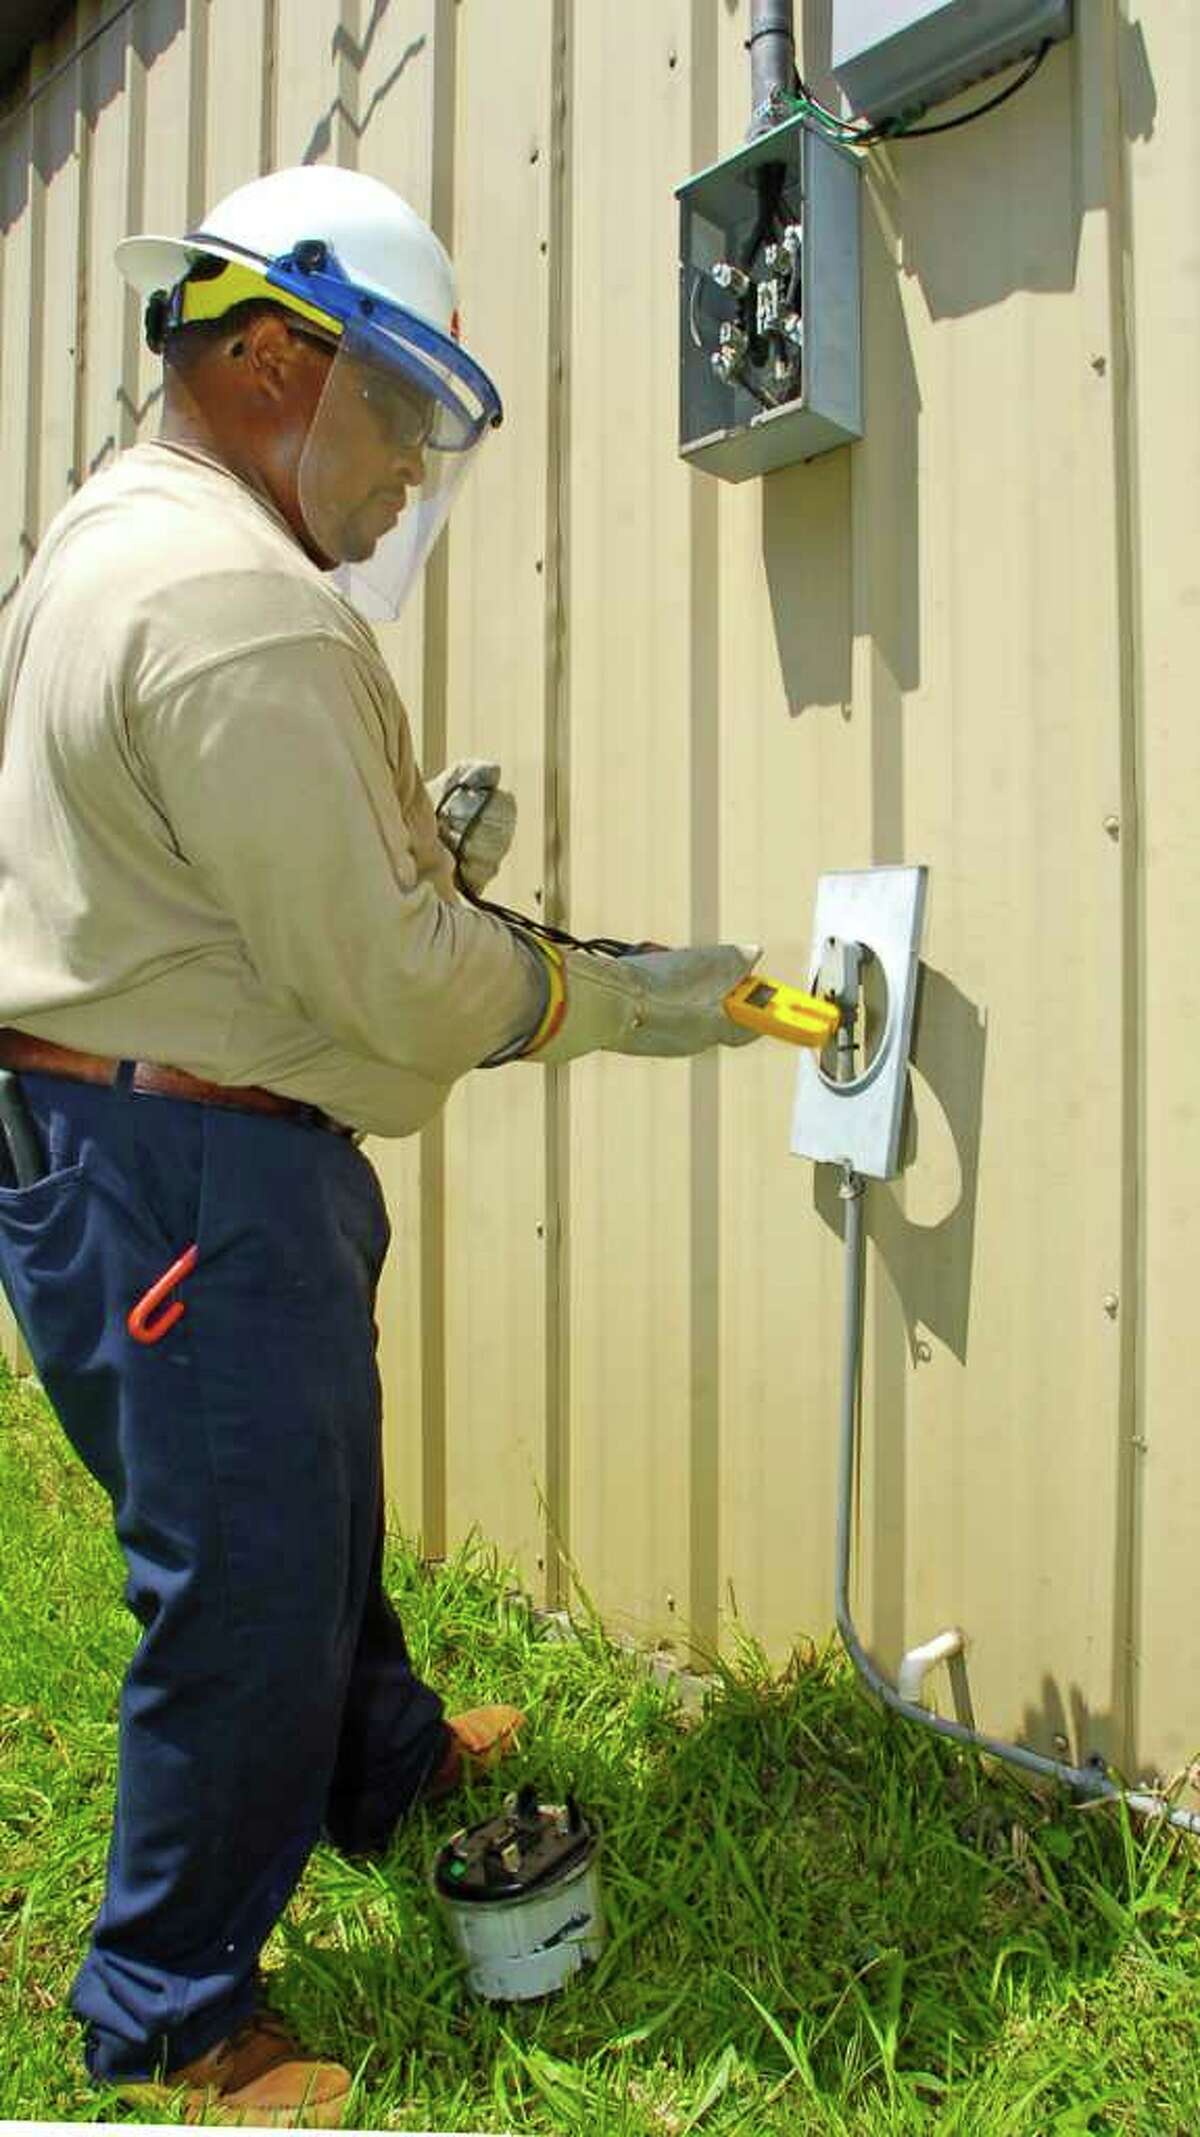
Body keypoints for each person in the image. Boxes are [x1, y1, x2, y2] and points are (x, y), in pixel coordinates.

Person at [0, 164, 759, 2126]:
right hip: (190, 1167)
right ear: (272, 358)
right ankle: (169, 2006)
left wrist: (411, 839)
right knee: (249, 1573)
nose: (415, 474)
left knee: (306, 1498)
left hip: (150, 1136)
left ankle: (388, 1761)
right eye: (402, 415)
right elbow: (408, 986)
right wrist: (643, 996)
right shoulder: (231, 605)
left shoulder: (125, 540)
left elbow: (239, 887)